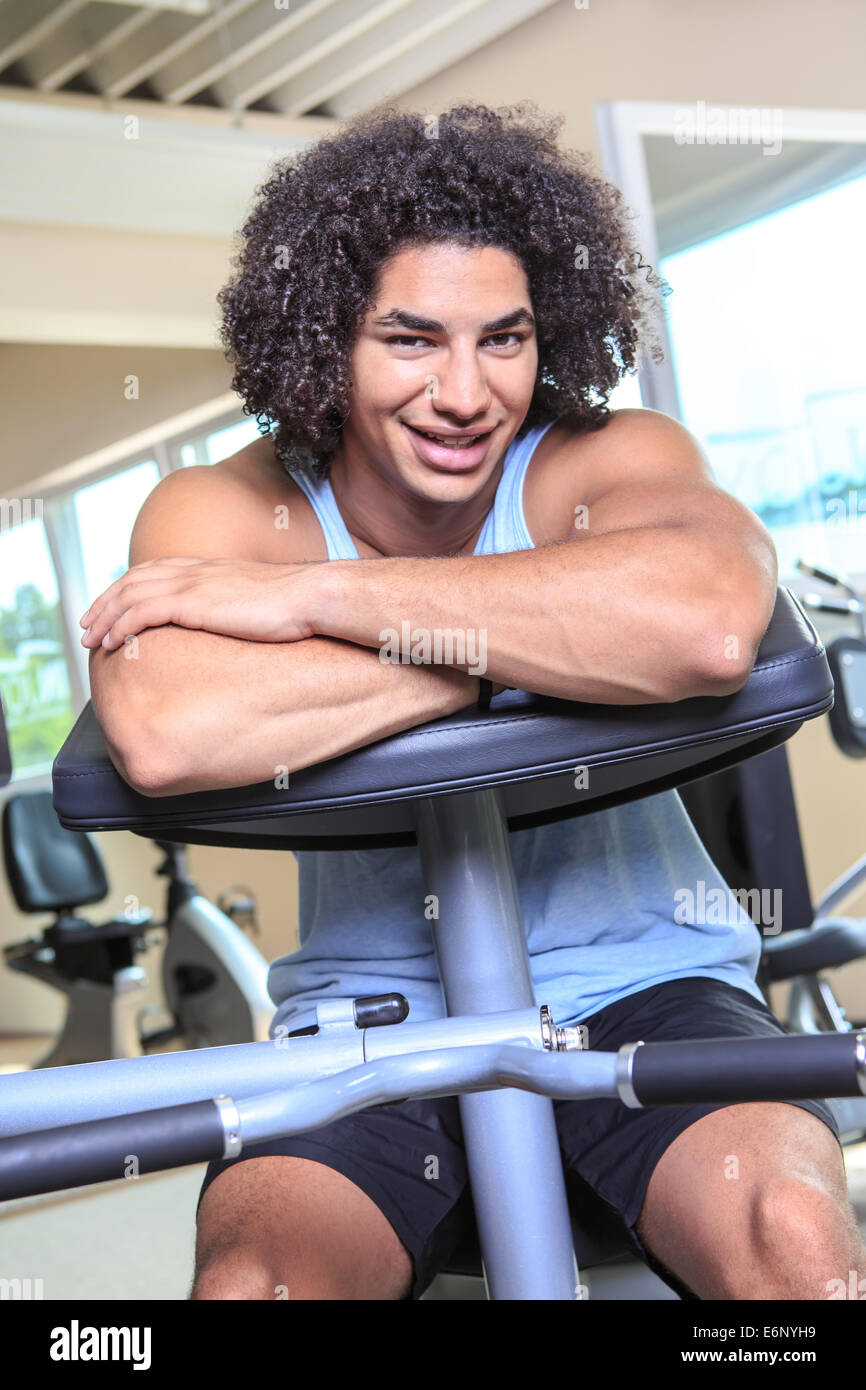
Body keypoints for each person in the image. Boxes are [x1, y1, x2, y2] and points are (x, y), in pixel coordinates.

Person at [82, 102, 865, 1301]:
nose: (464, 393)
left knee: (801, 1253)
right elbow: (167, 726)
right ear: (324, 338)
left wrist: (311, 604)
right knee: (254, 1289)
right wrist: (540, 639)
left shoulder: (593, 462)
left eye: (502, 339)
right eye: (410, 339)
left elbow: (708, 620)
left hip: (645, 987)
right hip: (370, 1020)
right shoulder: (231, 511)